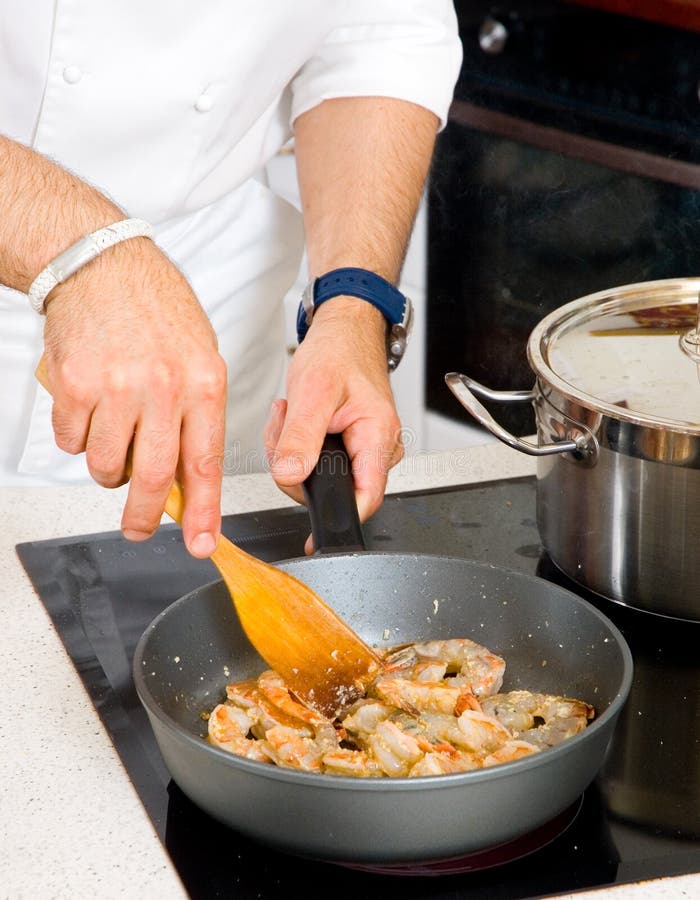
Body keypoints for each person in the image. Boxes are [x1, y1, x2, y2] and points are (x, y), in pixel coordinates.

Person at [0, 2, 462, 558]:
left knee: (196, 577)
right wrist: (88, 253)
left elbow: (376, 35)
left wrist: (353, 303)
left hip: (216, 301)